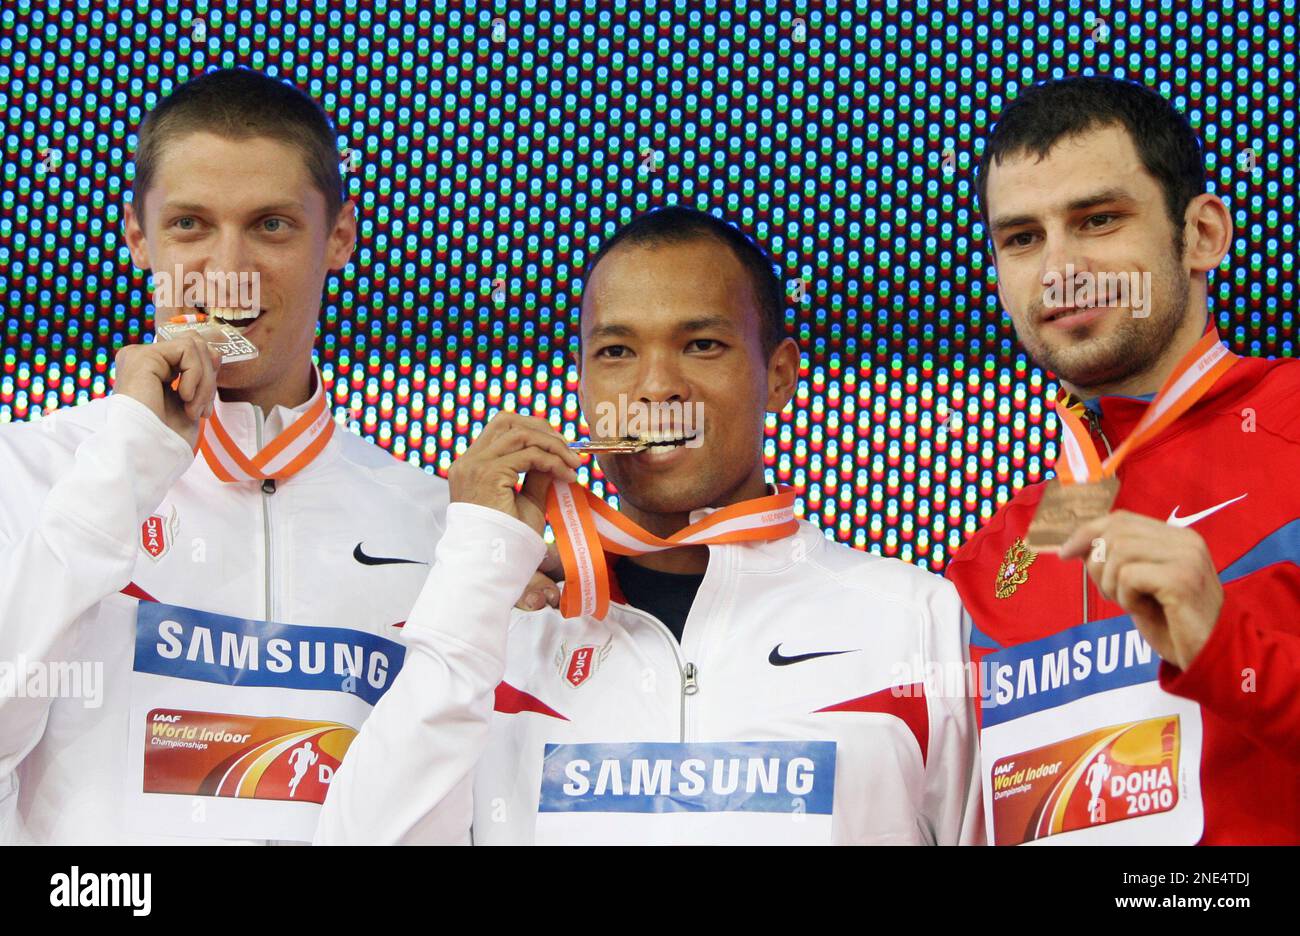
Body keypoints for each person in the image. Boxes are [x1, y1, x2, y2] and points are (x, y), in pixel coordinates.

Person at [315, 207, 983, 845]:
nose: (656, 386)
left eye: (701, 345)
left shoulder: (917, 621)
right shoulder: (498, 636)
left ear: (778, 376)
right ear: (580, 382)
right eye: (615, 352)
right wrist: (475, 570)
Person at [0, 68, 473, 844]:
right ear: (138, 238)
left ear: (340, 238)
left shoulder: (436, 525)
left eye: (272, 225)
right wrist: (125, 465)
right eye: (190, 225)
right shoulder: (25, 474)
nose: (229, 269)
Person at [946, 76, 1300, 845]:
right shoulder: (988, 559)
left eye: (1098, 220)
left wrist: (1224, 648)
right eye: (1021, 238)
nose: (1059, 268)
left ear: (1202, 233)